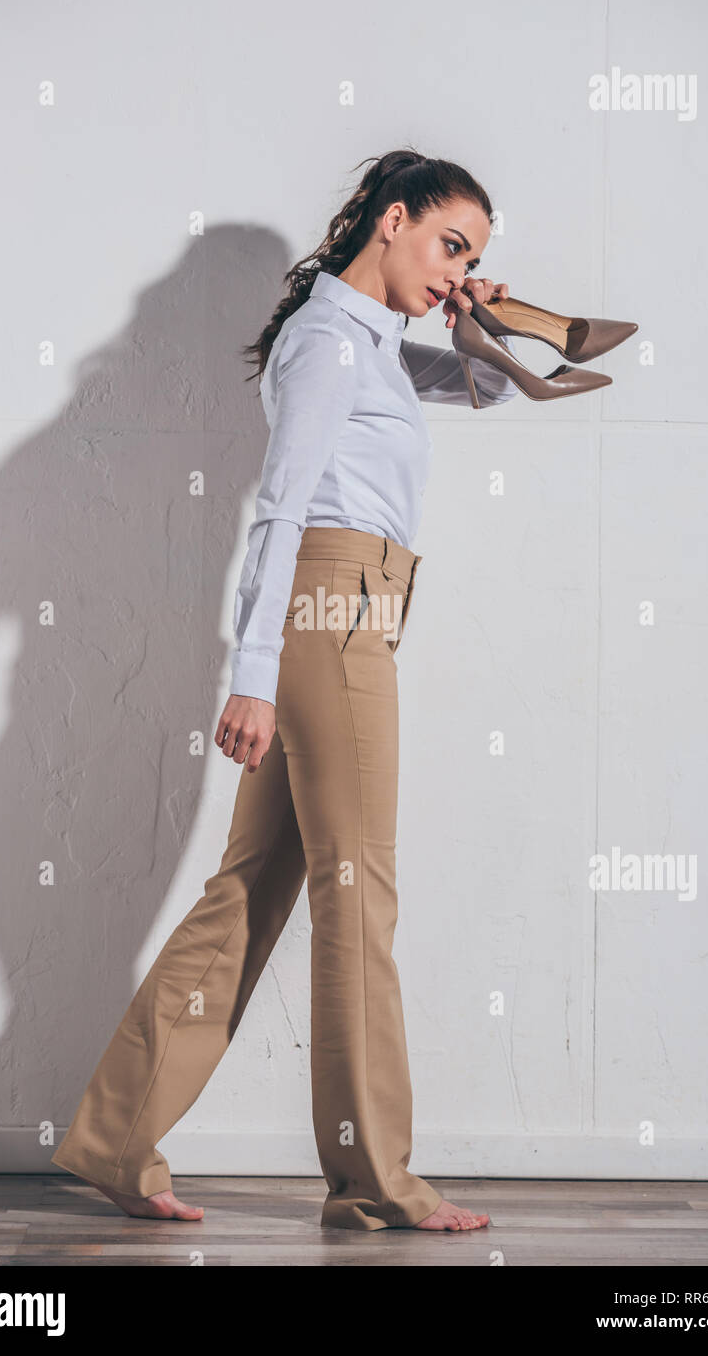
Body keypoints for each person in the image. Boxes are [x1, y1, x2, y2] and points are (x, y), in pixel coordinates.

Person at [51, 147, 518, 1232]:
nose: (459, 270)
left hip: (353, 615)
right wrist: (251, 677)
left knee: (254, 888)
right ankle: (375, 1174)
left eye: (476, 258)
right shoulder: (326, 342)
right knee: (360, 896)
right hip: (330, 614)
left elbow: (491, 389)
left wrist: (476, 321)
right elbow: (281, 510)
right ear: (391, 220)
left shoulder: (378, 346)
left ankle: (118, 1136)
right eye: (452, 245)